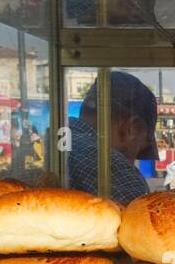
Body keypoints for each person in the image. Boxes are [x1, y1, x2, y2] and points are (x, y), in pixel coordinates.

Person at [66, 72, 154, 205]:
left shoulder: (60, 142)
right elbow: (142, 219)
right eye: (142, 148)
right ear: (130, 130)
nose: (132, 161)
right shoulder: (118, 172)